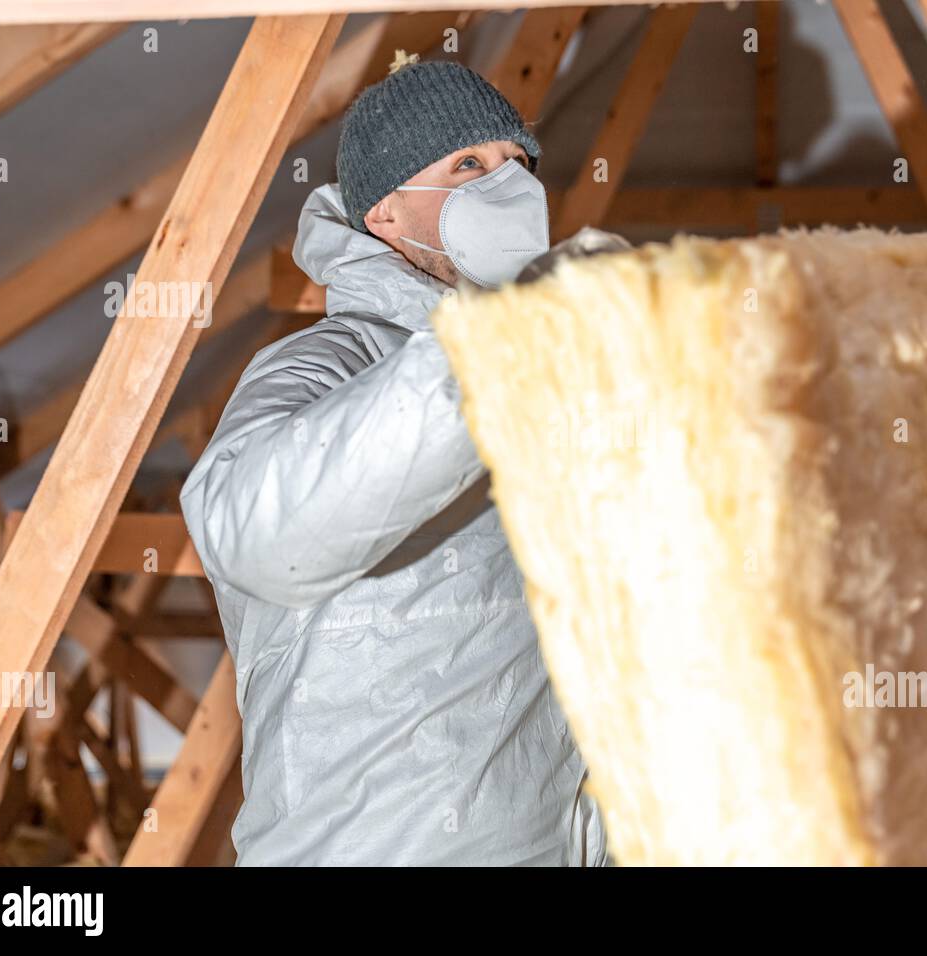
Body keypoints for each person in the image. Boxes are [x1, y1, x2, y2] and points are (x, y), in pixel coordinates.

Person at [180, 52, 619, 865]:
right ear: (385, 214)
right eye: (468, 164)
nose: (512, 186)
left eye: (518, 163)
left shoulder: (543, 388)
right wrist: (489, 349)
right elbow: (249, 534)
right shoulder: (323, 366)